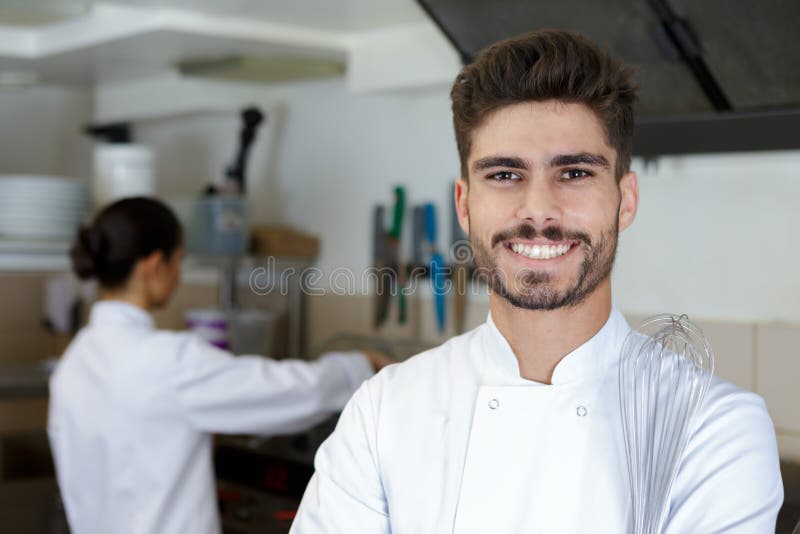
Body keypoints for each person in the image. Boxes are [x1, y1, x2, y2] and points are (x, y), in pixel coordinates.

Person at [291, 29, 783, 533]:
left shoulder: (713, 429)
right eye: (504, 175)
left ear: (625, 199)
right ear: (464, 204)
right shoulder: (384, 412)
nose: (539, 211)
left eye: (574, 173)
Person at [47, 197, 390, 534]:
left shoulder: (73, 364)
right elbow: (275, 391)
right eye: (177, 261)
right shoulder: (164, 361)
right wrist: (359, 366)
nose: (179, 275)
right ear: (154, 265)